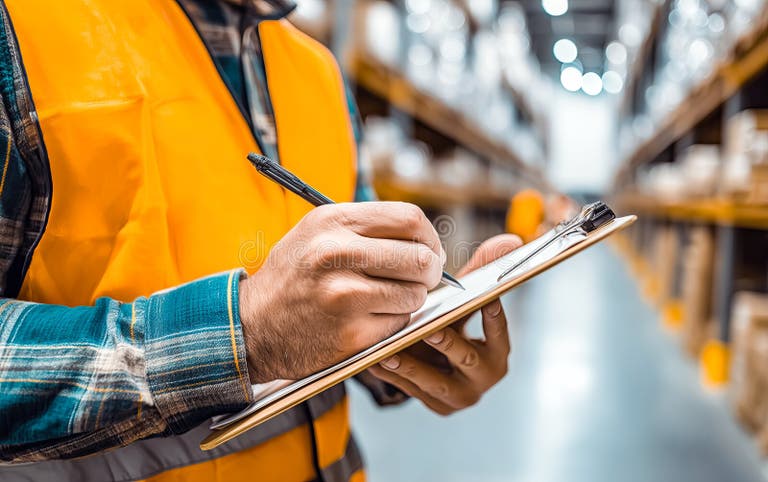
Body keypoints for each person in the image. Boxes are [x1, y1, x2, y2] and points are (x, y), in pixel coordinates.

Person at [0, 1, 522, 481]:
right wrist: (244, 336)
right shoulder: (25, 27)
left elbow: (342, 308)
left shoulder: (318, 71)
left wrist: (416, 335)